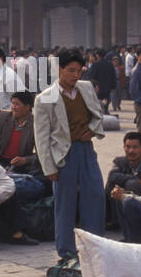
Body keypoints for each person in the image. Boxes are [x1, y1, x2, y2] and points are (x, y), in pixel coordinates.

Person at [35, 48, 106, 258]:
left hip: (86, 150)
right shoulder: (45, 98)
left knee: (95, 195)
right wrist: (49, 168)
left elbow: (98, 114)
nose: (76, 75)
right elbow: (42, 137)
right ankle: (66, 250)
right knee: (65, 203)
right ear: (59, 69)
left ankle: (94, 246)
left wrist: (92, 131)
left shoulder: (85, 88)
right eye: (71, 70)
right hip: (63, 154)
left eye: (79, 71)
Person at [104, 132, 141, 229]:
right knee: (112, 184)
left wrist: (135, 182)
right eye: (127, 147)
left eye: (135, 147)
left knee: (132, 184)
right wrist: (134, 178)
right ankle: (113, 220)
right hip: (123, 195)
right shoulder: (119, 161)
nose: (130, 151)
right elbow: (112, 176)